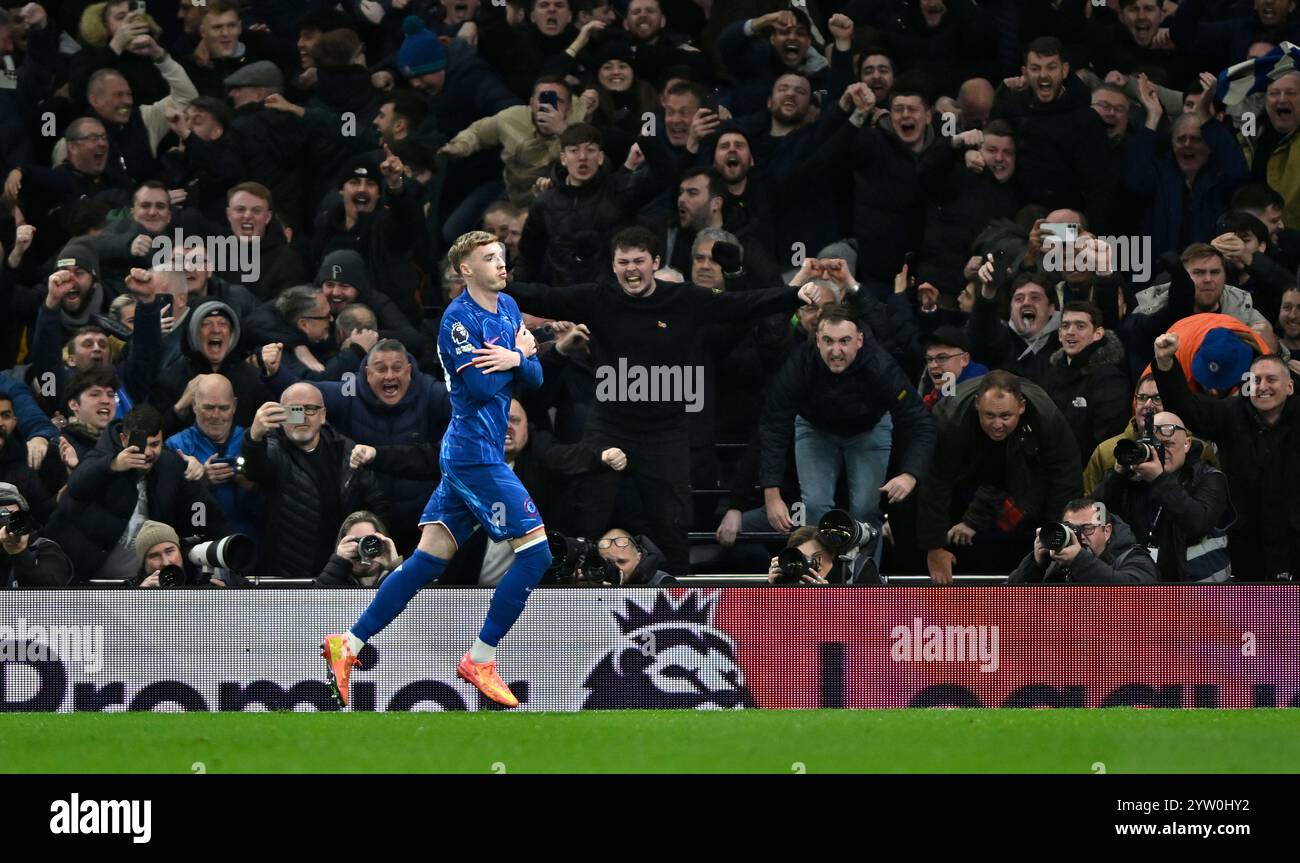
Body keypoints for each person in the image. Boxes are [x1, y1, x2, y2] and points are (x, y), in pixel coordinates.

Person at [506, 226, 826, 574]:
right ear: (613, 266)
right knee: (590, 512)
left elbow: (739, 304)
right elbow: (544, 297)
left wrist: (794, 295)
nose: (631, 269)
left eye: (639, 261)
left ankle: (677, 603)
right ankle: (583, 589)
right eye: (623, 261)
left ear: (655, 262)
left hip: (665, 431)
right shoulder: (597, 298)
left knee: (673, 524)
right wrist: (495, 284)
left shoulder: (682, 299)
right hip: (610, 426)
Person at [322, 231, 552, 710]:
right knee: (536, 555)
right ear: (466, 269)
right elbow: (480, 388)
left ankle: (350, 642)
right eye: (490, 258)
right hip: (474, 454)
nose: (500, 264)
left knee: (427, 560)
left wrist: (518, 358)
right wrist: (520, 356)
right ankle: (481, 658)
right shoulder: (458, 320)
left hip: (474, 451)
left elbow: (535, 378)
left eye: (502, 257)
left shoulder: (508, 307)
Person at [758, 305, 936, 558]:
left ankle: (864, 584)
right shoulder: (800, 363)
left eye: (844, 341)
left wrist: (910, 474)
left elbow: (921, 422)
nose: (836, 351)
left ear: (859, 340)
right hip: (814, 429)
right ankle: (819, 583)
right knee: (816, 506)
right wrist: (771, 493)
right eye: (828, 341)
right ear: (817, 340)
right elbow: (774, 424)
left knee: (865, 509)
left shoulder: (881, 366)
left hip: (869, 429)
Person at [1152, 333, 1299, 580]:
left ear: (1290, 386)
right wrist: (1166, 364)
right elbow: (1186, 407)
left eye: (1271, 379)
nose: (1262, 386)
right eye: (1255, 380)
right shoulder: (1231, 414)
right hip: (1245, 547)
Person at [919, 371, 1083, 583]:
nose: (997, 424)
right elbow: (935, 483)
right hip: (965, 472)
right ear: (977, 404)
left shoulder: (1045, 415)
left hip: (1027, 471)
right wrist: (934, 547)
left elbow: (1066, 477)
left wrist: (1060, 538)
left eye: (1005, 416)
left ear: (1021, 407)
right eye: (989, 415)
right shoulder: (949, 418)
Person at [43, 404, 232, 583]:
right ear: (124, 439)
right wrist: (114, 464)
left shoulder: (170, 465)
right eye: (142, 444)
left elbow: (205, 514)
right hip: (83, 578)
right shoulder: (101, 455)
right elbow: (76, 486)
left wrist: (229, 549)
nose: (148, 452)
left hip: (142, 582)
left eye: (155, 444)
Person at [240, 383, 388, 581]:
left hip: (345, 573)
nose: (302, 417)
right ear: (281, 417)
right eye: (294, 410)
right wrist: (254, 437)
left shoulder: (345, 449)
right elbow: (255, 468)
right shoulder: (274, 448)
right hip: (289, 576)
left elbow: (376, 504)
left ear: (323, 415)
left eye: (310, 409)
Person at [1094, 411, 1233, 582]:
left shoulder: (1210, 478)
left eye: (1168, 444)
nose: (1161, 452)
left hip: (1196, 590)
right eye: (1155, 446)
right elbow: (1097, 516)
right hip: (1141, 582)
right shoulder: (1136, 479)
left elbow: (1197, 523)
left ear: (1187, 444)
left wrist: (1159, 479)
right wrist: (1117, 475)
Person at [1043, 300, 1130, 457]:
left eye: (1080, 326)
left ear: (1098, 334)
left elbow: (1107, 440)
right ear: (1059, 335)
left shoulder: (1109, 379)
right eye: (1065, 326)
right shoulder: (1051, 374)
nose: (1071, 331)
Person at [1007, 498, 1158, 584]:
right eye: (1071, 529)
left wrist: (1078, 559)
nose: (1079, 536)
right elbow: (1004, 601)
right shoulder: (1055, 561)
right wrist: (1035, 564)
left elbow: (1138, 595)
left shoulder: (1133, 558)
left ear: (1107, 531)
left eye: (1087, 528)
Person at [0, 482, 74, 588]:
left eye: (12, 516)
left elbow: (48, 596)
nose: (5, 522)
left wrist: (21, 554)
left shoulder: (43, 548)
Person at [314, 511, 403, 587]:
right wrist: (338, 564)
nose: (362, 548)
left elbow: (410, 601)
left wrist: (394, 567)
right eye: (355, 541)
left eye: (369, 541)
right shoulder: (338, 580)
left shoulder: (395, 575)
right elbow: (315, 604)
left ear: (383, 543)